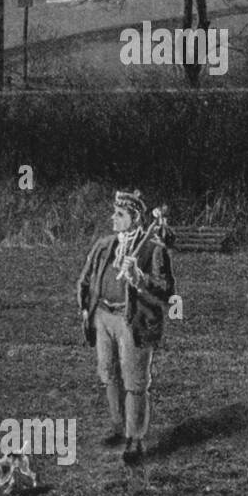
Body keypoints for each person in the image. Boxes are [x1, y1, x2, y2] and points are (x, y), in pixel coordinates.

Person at [76, 189, 175, 464]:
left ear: (134, 218)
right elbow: (86, 279)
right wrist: (86, 308)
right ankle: (119, 427)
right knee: (109, 374)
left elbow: (167, 291)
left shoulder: (153, 249)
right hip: (103, 317)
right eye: (114, 213)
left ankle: (135, 438)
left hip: (133, 321)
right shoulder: (104, 245)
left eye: (119, 214)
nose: (113, 218)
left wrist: (139, 278)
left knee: (134, 382)